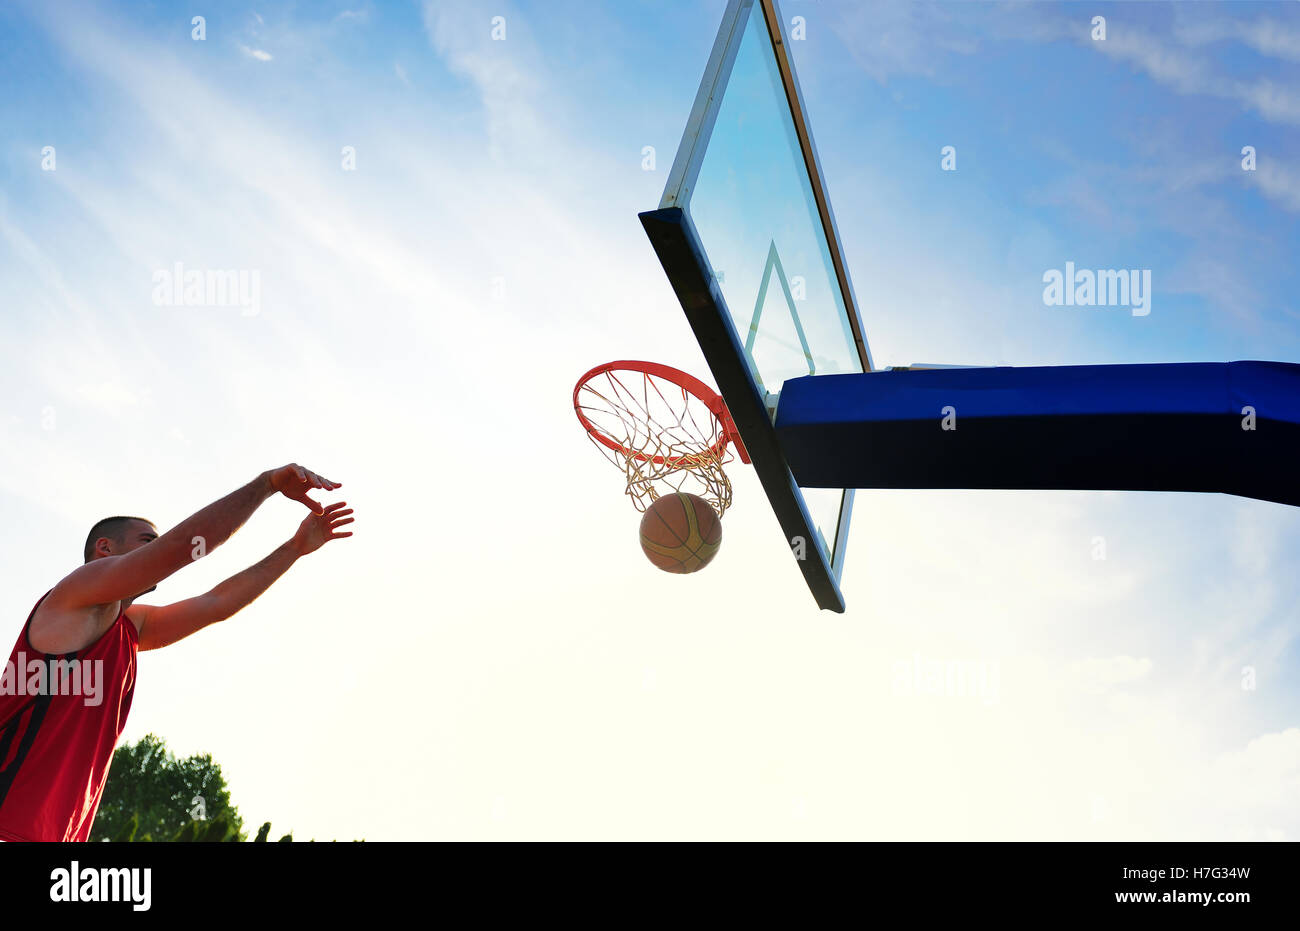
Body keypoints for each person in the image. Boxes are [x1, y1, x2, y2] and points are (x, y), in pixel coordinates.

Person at [0, 464, 353, 842]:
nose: (157, 546)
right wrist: (266, 485)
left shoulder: (130, 629)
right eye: (147, 540)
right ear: (105, 548)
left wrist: (295, 548)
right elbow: (181, 548)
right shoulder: (75, 593)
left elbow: (216, 602)